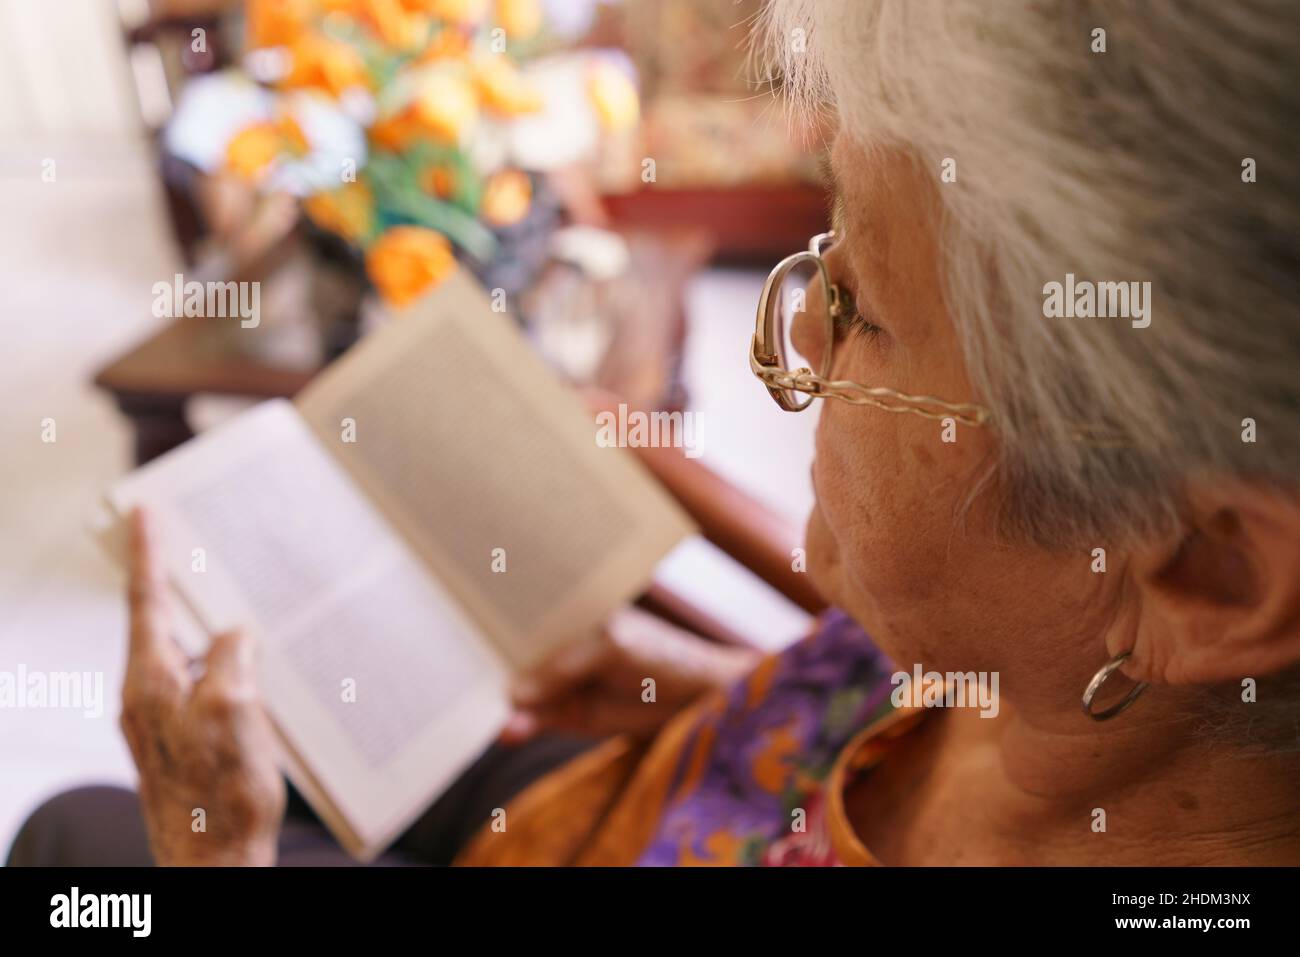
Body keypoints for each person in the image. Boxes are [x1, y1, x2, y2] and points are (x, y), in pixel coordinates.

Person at [10, 0, 1300, 866]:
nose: (793, 344)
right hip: (659, 760)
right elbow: (948, 662)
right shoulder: (1079, 667)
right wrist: (699, 687)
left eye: (857, 312)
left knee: (81, 836)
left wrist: (212, 853)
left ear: (1207, 572)